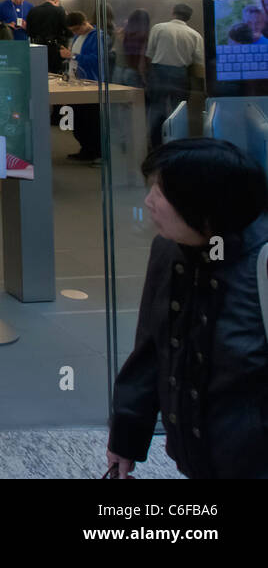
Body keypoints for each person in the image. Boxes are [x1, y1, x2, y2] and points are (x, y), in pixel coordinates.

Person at [106, 138, 268, 479]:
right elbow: (150, 351)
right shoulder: (169, 250)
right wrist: (126, 437)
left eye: (161, 194)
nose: (148, 202)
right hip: (197, 456)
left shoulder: (261, 264)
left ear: (204, 211)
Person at [143, 3, 204, 151]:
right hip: (180, 73)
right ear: (189, 17)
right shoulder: (195, 35)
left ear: (173, 12)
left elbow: (149, 53)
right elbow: (198, 62)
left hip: (159, 71)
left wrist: (146, 74)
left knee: (157, 109)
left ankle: (156, 144)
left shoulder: (159, 28)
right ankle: (178, 143)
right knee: (179, 110)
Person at [60, 11, 104, 162]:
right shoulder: (78, 36)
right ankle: (86, 149)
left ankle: (96, 151)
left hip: (91, 82)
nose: (74, 33)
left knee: (91, 120)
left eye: (76, 29)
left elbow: (96, 59)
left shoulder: (98, 36)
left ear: (85, 23)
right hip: (76, 80)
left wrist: (72, 56)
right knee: (79, 120)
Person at [26, 0, 70, 73]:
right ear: (56, 0)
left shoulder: (33, 10)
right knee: (56, 72)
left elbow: (29, 31)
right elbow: (67, 30)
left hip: (37, 46)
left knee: (39, 72)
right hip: (55, 47)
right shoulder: (60, 11)